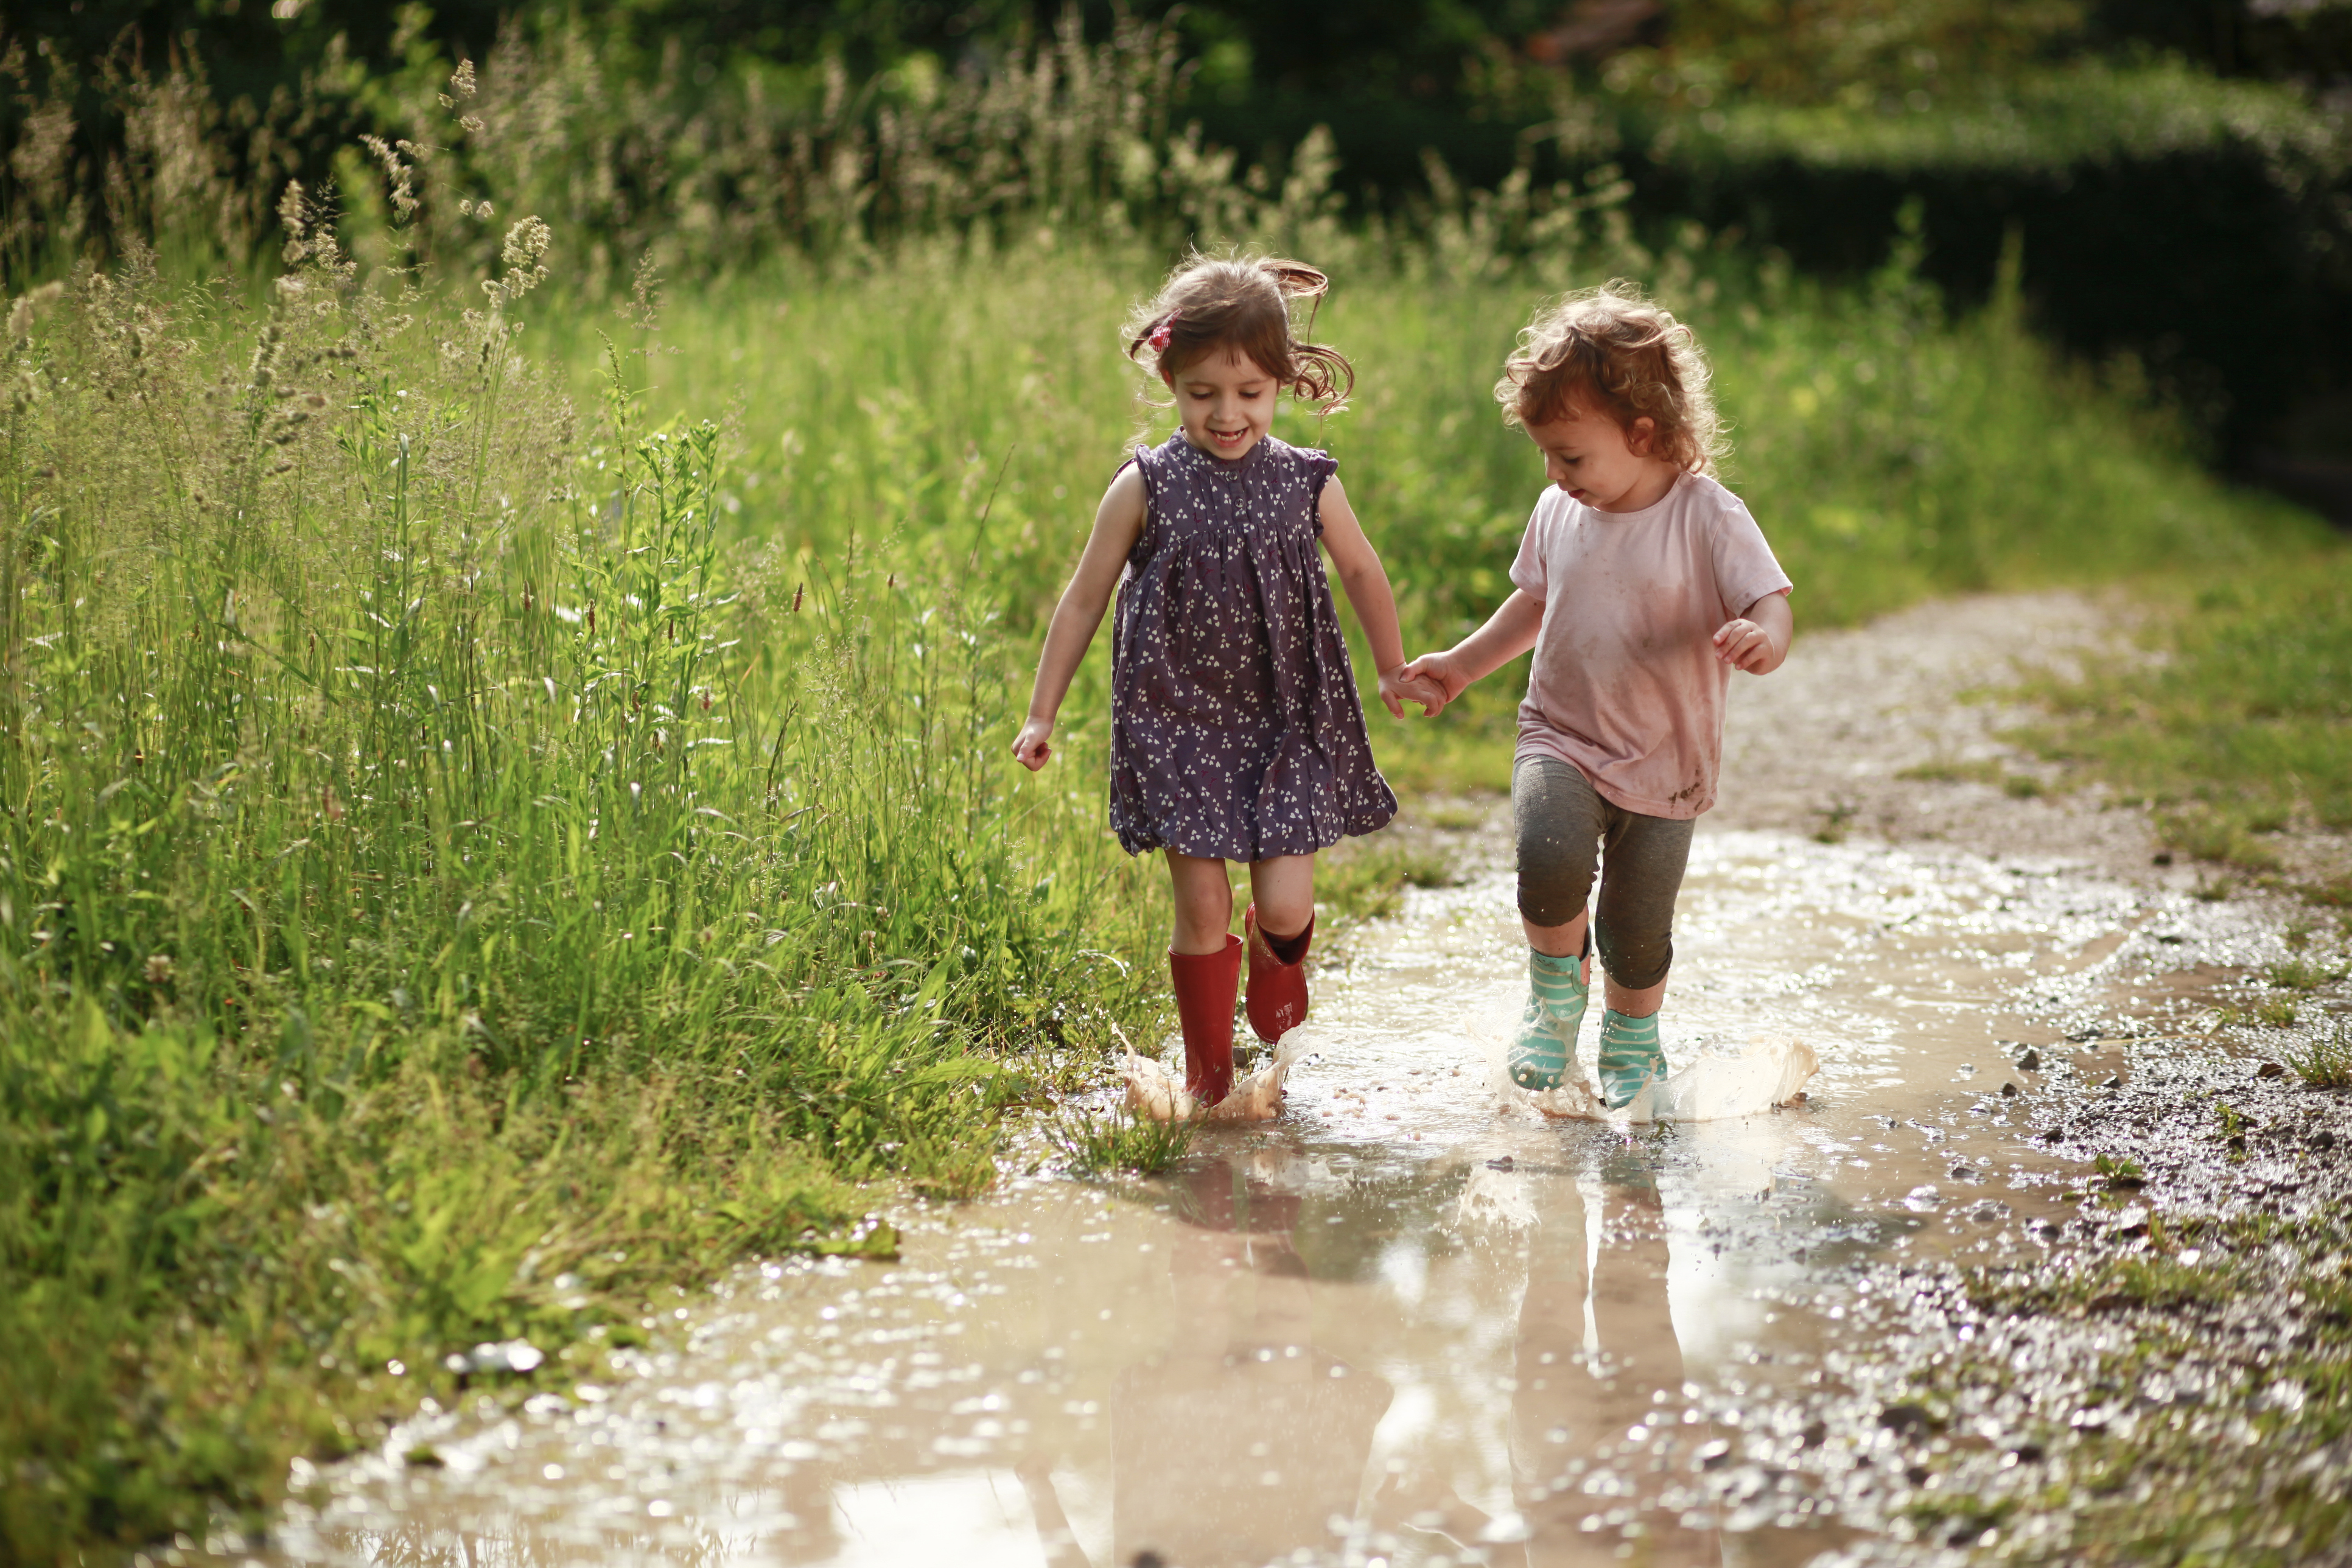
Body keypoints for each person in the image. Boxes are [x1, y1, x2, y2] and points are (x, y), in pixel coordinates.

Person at [1013, 253, 1431, 1106]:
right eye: (1203, 393)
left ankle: (1277, 951)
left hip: (1286, 717)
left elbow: (1360, 570)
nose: (1227, 413)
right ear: (1169, 378)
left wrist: (1392, 666)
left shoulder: (1306, 481)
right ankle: (1210, 1085)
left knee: (1282, 905)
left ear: (1283, 381)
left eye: (1248, 392)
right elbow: (1084, 595)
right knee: (1200, 907)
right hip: (1178, 721)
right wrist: (1040, 713)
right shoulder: (1144, 486)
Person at [1402, 283, 1793, 1108]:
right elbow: (1534, 605)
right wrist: (1463, 665)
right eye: (1547, 454)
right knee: (1547, 860)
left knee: (1635, 927)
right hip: (1561, 735)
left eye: (1571, 455)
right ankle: (1552, 1000)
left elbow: (1770, 600)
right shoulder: (1557, 511)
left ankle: (1633, 1033)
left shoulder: (1708, 517)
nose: (1554, 472)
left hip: (1668, 765)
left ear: (1642, 433)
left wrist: (1765, 636)